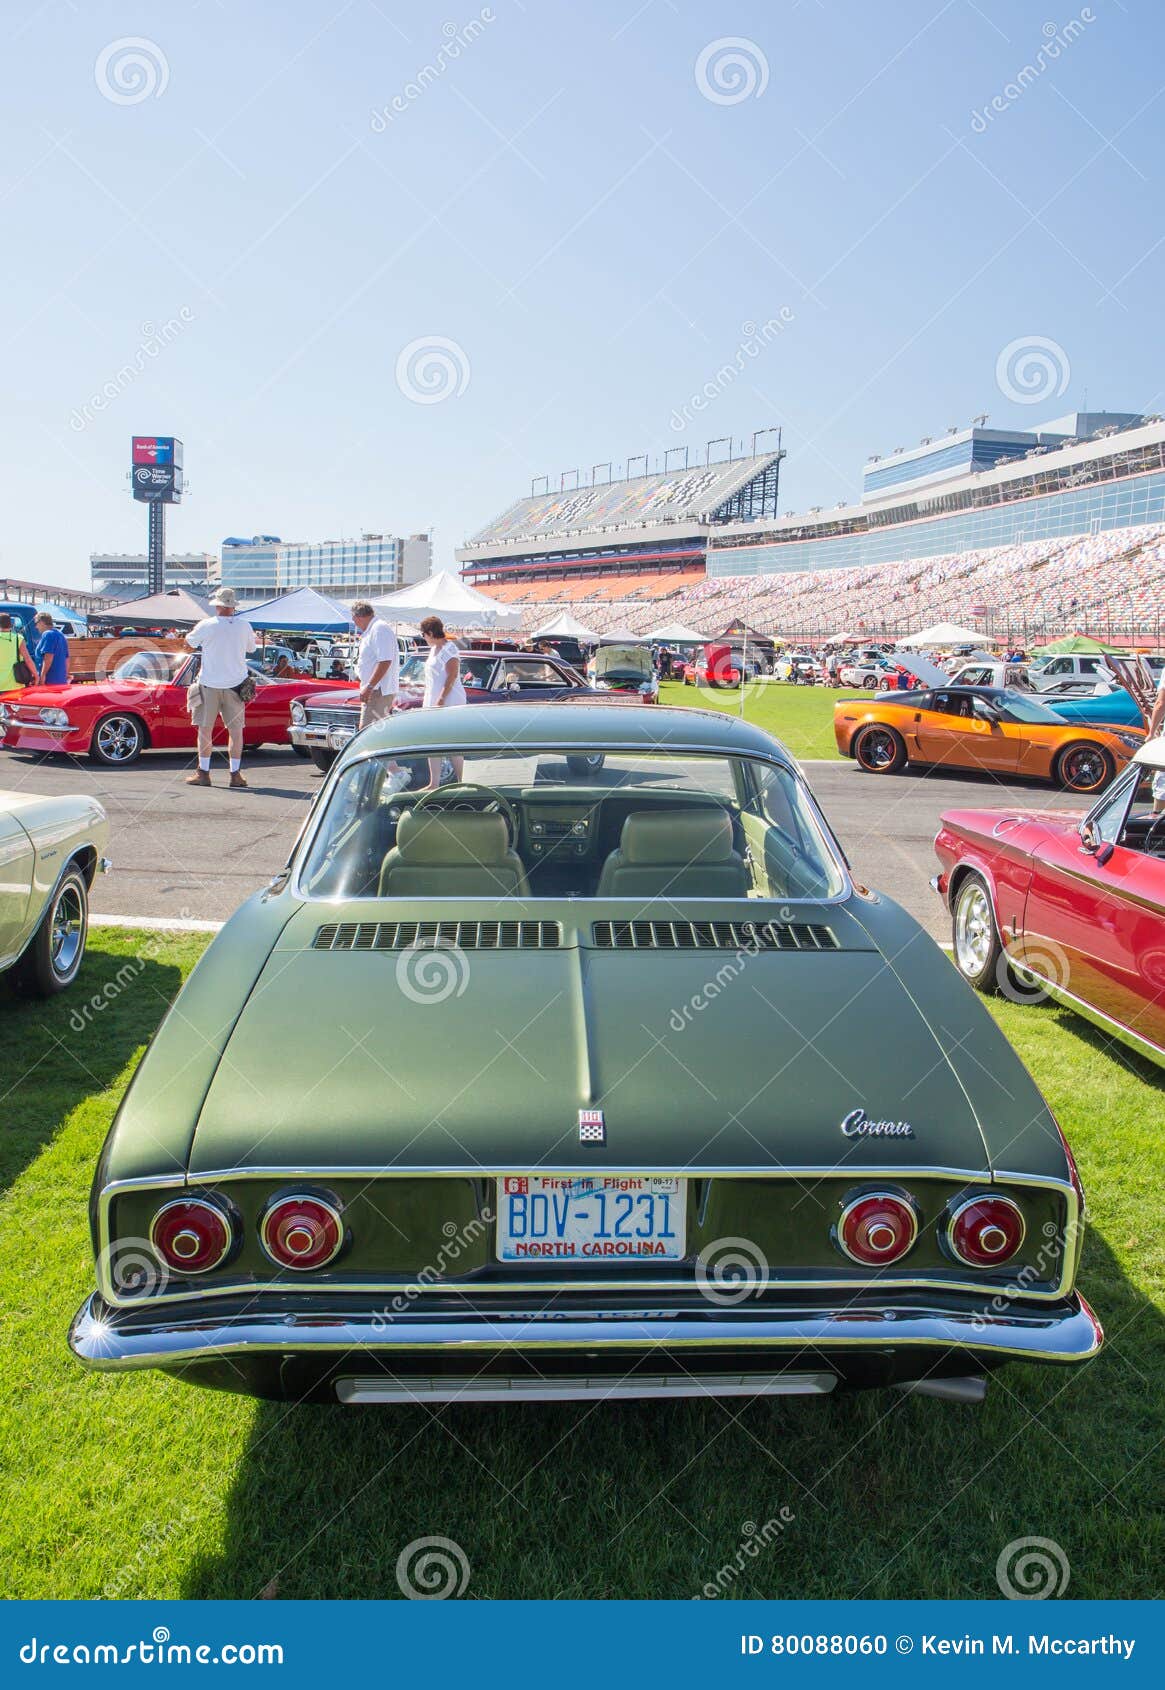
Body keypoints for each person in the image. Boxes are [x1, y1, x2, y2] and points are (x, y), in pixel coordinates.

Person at [184, 587, 258, 789]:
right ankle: (235, 774)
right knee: (236, 732)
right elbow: (251, 648)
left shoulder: (207, 625)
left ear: (218, 605)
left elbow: (189, 642)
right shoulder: (244, 626)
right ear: (233, 606)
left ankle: (204, 772)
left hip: (209, 683)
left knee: (204, 729)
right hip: (236, 684)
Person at [419, 615, 466, 790]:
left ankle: (463, 781)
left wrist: (441, 698)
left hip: (449, 700)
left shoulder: (450, 648)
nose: (423, 637)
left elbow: (452, 675)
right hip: (433, 698)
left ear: (430, 633)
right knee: (432, 741)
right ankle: (434, 783)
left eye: (424, 634)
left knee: (452, 741)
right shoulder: (434, 649)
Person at [351, 601, 400, 729]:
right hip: (375, 689)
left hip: (379, 690)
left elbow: (385, 661)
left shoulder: (379, 628)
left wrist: (370, 686)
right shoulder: (374, 629)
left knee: (368, 732)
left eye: (353, 619)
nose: (354, 622)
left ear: (357, 617)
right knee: (370, 731)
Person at [32, 612, 69, 686]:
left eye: (36, 623)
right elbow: (67, 659)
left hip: (50, 679)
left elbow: (48, 656)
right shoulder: (61, 635)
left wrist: (42, 676)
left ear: (41, 622)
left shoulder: (48, 634)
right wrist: (65, 675)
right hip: (60, 679)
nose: (36, 627)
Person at [0, 613, 34, 691]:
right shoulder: (18, 638)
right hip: (15, 684)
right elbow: (28, 659)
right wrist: (36, 675)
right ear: (11, 624)